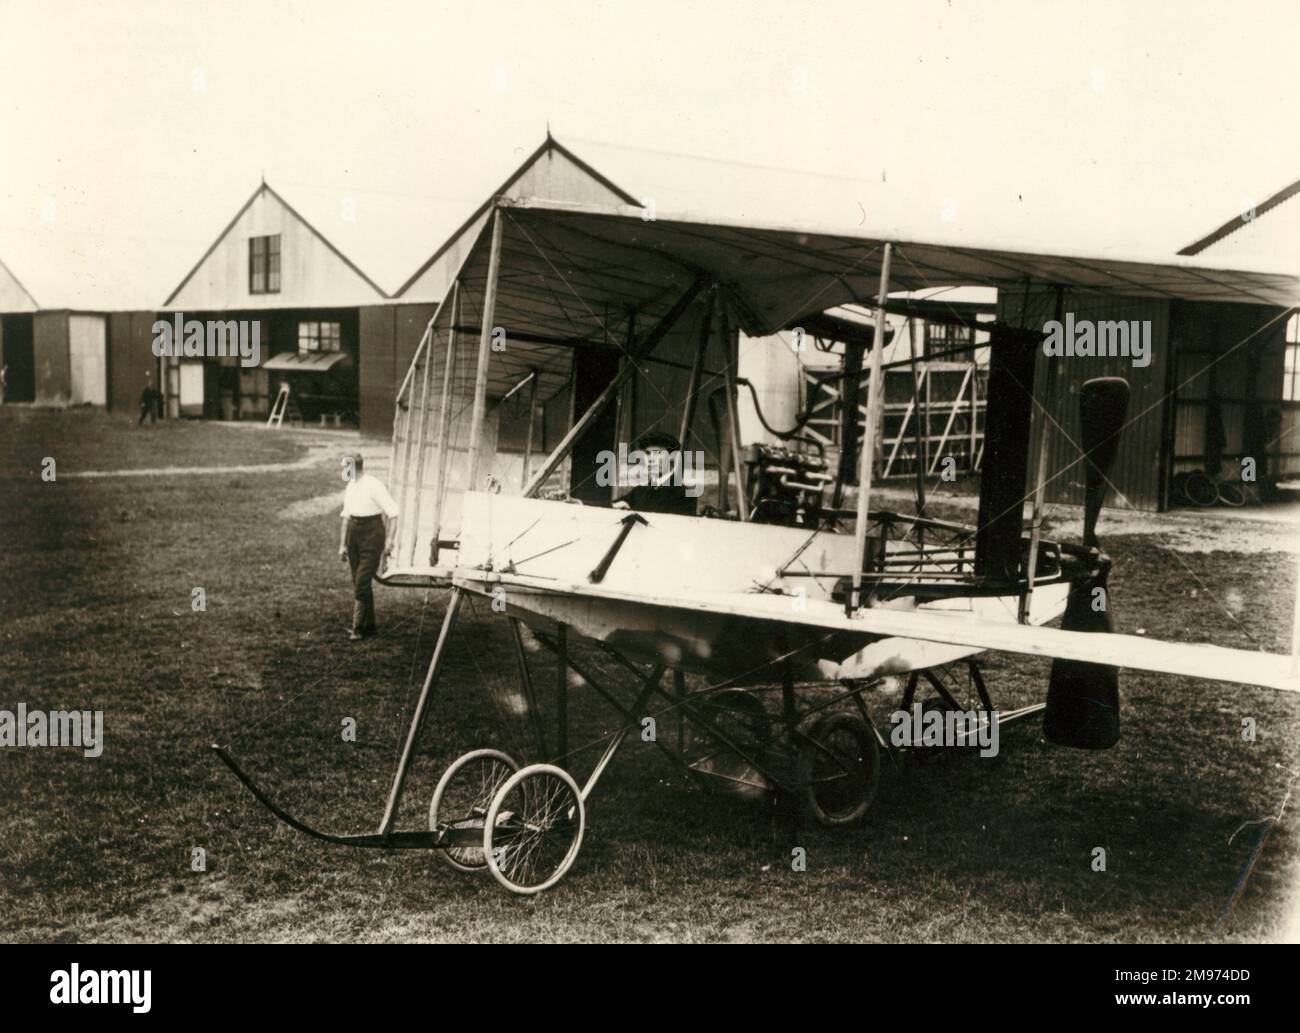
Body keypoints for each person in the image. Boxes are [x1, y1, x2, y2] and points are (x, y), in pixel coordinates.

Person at [338, 453, 399, 640]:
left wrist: (390, 540)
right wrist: (342, 545)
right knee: (359, 582)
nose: (343, 471)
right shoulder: (350, 486)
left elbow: (394, 513)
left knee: (362, 581)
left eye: (346, 468)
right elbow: (346, 517)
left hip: (372, 535)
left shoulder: (374, 485)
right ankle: (370, 626)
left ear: (355, 467)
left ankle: (357, 628)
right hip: (354, 535)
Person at [612, 431, 697, 516]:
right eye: (647, 453)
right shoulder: (639, 491)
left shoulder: (685, 495)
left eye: (657, 453)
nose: (650, 459)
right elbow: (617, 504)